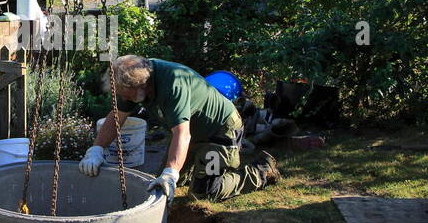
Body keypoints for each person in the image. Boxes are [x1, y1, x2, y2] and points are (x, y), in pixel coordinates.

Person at [79, 54, 278, 202]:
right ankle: (195, 167)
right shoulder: (132, 83)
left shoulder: (173, 84)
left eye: (126, 95)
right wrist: (96, 149)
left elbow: (182, 134)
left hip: (219, 132)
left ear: (142, 85)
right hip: (194, 132)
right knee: (156, 187)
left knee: (205, 192)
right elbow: (116, 117)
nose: (124, 99)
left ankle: (261, 171)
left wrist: (170, 173)